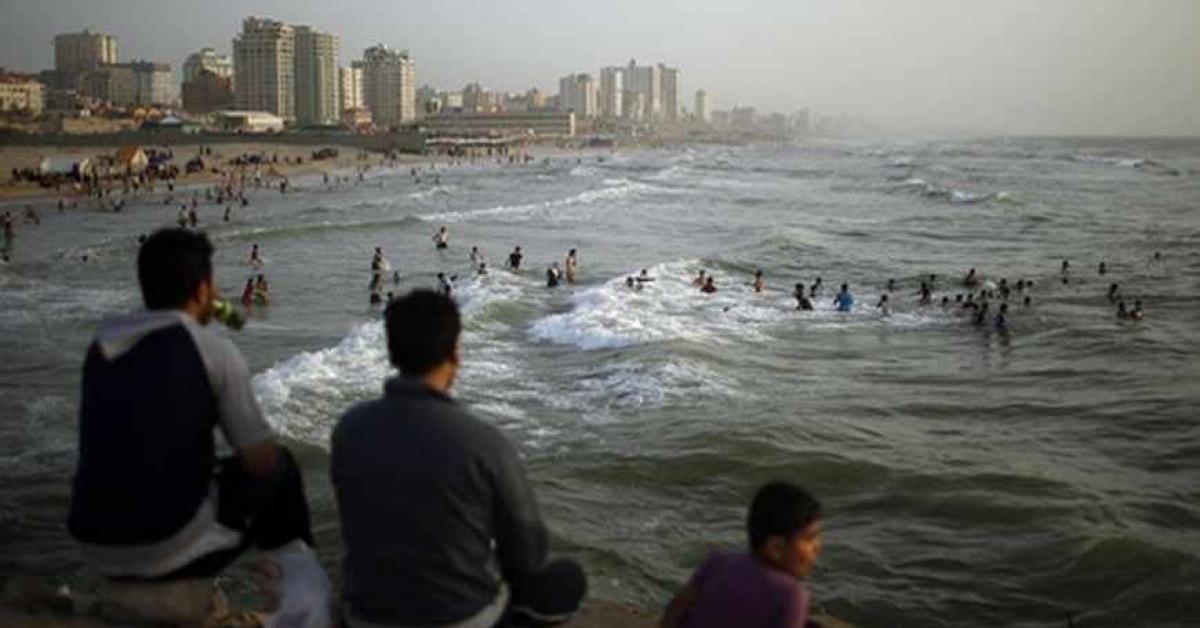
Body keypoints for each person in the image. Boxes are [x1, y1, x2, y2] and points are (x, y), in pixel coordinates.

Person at [67, 229, 323, 617]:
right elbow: (259, 460)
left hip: (94, 542)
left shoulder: (102, 344)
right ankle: (307, 608)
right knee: (282, 469)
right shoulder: (213, 350)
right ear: (203, 289)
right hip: (165, 549)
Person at [332, 290, 587, 628]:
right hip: (461, 618)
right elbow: (530, 555)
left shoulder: (349, 429)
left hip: (366, 616)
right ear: (455, 354)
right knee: (567, 578)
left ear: (392, 353)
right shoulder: (483, 442)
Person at [659, 481, 821, 628]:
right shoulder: (791, 595)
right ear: (776, 548)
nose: (817, 547)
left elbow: (674, 610)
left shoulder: (718, 561)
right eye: (810, 538)